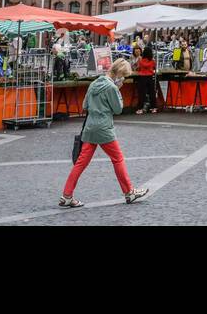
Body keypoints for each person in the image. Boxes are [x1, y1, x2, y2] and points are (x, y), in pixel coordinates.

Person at [59, 58, 149, 207]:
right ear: (119, 74)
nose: (124, 79)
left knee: (80, 163)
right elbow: (118, 109)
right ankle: (129, 192)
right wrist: (118, 91)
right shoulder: (112, 88)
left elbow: (85, 105)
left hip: (90, 127)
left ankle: (66, 195)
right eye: (124, 76)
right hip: (104, 128)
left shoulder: (94, 83)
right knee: (118, 159)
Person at [133, 46, 157, 114]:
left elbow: (138, 68)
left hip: (142, 78)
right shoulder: (152, 61)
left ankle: (140, 109)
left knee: (142, 94)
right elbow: (154, 67)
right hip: (150, 77)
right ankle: (154, 108)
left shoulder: (140, 61)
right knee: (152, 93)